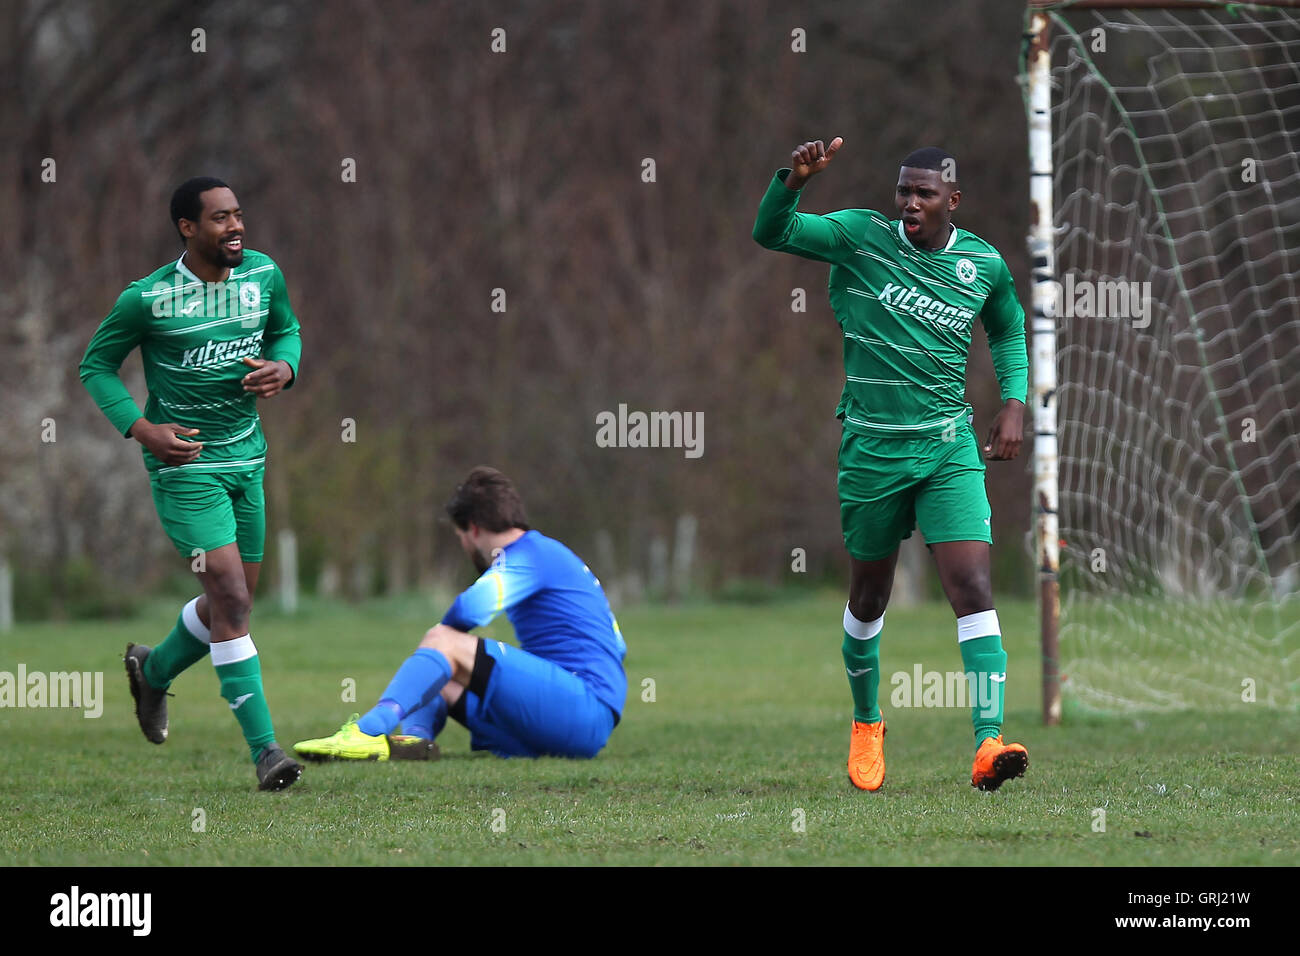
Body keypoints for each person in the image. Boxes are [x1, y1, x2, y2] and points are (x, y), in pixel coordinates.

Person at [753, 138, 1030, 792]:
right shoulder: (858, 235)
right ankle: (867, 722)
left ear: (951, 201)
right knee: (869, 596)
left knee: (973, 587)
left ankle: (988, 742)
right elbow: (772, 231)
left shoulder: (982, 264)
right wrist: (791, 181)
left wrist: (1014, 401)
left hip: (947, 446)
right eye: (902, 190)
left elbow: (1008, 328)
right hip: (873, 449)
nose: (908, 202)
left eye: (923, 193)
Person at [79, 176, 303, 791]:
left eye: (238, 216)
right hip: (185, 471)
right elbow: (95, 366)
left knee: (232, 604)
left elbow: (288, 329)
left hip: (248, 462)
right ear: (187, 228)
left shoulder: (263, 276)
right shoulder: (147, 299)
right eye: (220, 219)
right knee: (231, 597)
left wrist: (286, 366)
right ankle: (266, 753)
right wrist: (141, 429)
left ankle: (153, 672)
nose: (235, 228)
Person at [294, 467, 627, 762]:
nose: (465, 546)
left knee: (444, 644)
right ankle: (414, 743)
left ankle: (368, 730)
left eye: (460, 538)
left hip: (583, 711)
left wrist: (443, 641)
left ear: (473, 528)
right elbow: (618, 647)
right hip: (582, 717)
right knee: (439, 674)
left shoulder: (527, 554)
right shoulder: (553, 555)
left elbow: (472, 608)